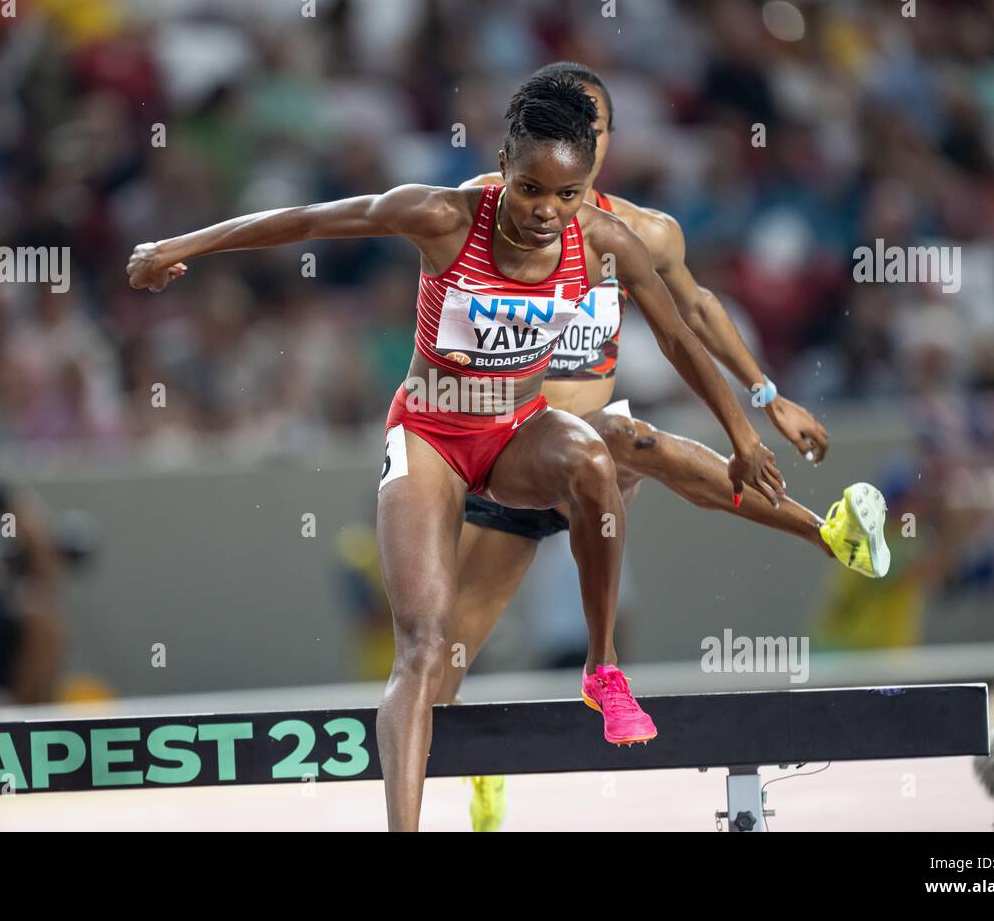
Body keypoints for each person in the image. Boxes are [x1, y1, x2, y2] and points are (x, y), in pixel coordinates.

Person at [127, 73, 784, 831]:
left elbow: (676, 333)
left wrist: (744, 433)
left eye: (566, 196)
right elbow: (306, 219)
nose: (546, 212)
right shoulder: (441, 216)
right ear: (503, 164)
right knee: (425, 648)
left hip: (517, 431)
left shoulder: (603, 240)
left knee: (598, 464)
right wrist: (181, 245)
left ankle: (602, 669)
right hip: (430, 434)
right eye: (531, 188)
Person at [450, 63, 890, 831]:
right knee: (444, 658)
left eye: (589, 130)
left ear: (603, 142)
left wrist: (766, 396)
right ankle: (476, 777)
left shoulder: (642, 234)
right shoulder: (503, 216)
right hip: (508, 463)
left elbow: (697, 313)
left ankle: (832, 536)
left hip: (594, 456)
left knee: (626, 437)